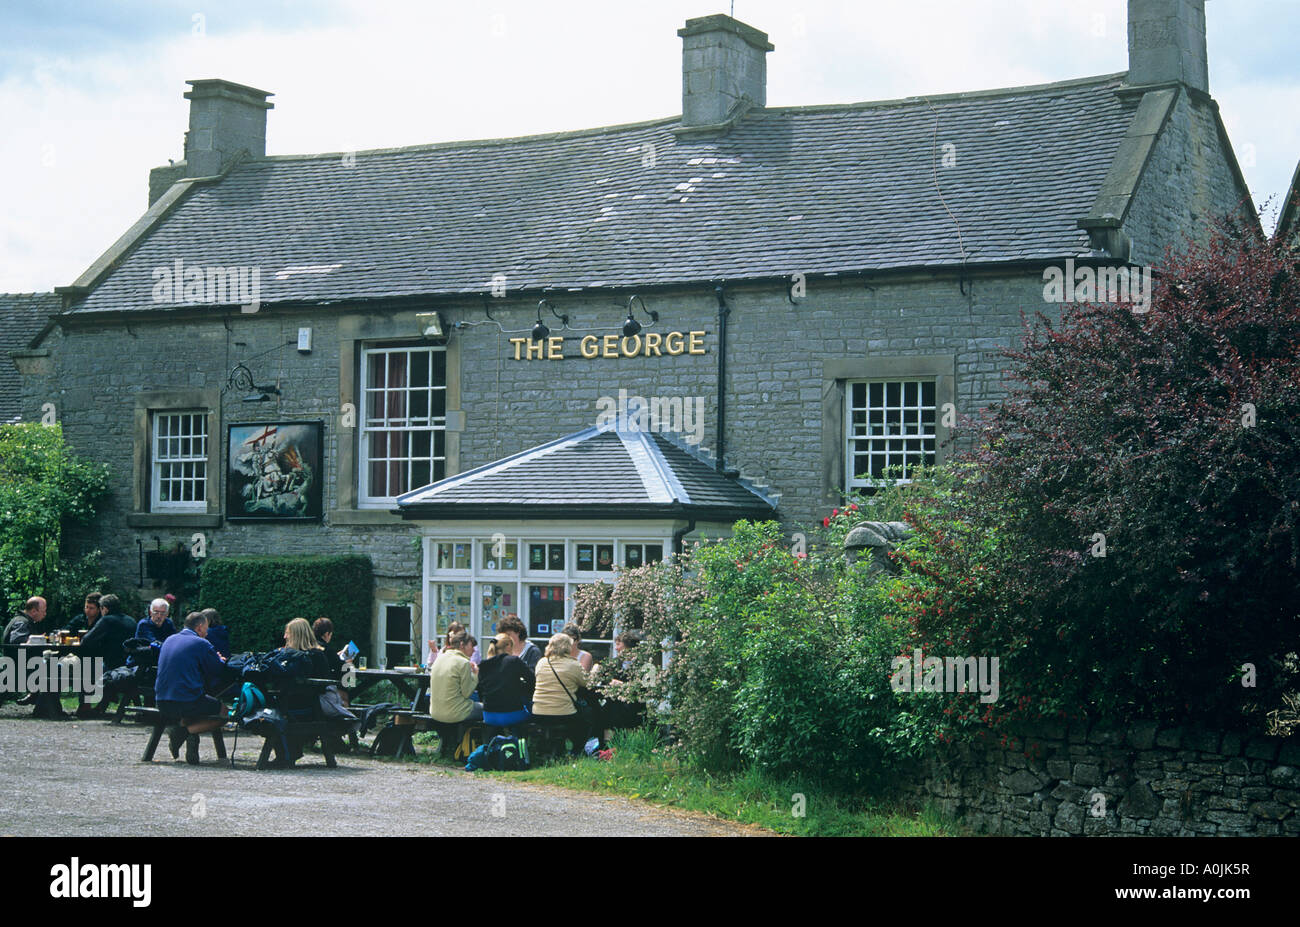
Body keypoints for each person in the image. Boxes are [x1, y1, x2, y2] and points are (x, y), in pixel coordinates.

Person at [155, 611, 229, 761]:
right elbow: (217, 670)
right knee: (224, 713)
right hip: (186, 701)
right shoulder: (201, 643)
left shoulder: (169, 639)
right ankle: (183, 732)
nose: (207, 633)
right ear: (200, 627)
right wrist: (220, 659)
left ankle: (189, 745)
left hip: (161, 701)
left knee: (196, 701)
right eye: (206, 629)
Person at [75, 593, 136, 717]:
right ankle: (100, 706)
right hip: (129, 665)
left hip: (112, 666)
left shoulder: (107, 620)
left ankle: (85, 706)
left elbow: (86, 640)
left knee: (87, 665)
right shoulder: (131, 620)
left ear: (104, 609)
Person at [3, 596, 64, 719]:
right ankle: (46, 709)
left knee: (54, 666)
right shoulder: (22, 622)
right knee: (56, 668)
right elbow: (17, 641)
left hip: (21, 664)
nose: (45, 614)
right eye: (43, 611)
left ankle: (41, 704)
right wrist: (36, 640)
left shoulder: (23, 621)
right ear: (34, 611)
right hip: (19, 667)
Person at [530, 633, 591, 754]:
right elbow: (587, 683)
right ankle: (577, 750)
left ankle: (548, 748)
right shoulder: (573, 664)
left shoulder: (541, 663)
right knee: (587, 717)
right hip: (563, 714)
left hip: (539, 713)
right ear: (568, 647)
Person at [477, 632, 534, 728]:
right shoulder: (514, 661)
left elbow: (480, 690)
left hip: (488, 715)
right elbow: (532, 680)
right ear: (508, 646)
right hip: (512, 714)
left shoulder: (483, 665)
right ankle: (516, 740)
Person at [427, 629, 482, 724]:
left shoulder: (440, 657)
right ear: (462, 645)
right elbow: (467, 693)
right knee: (488, 710)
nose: (474, 650)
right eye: (472, 646)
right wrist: (475, 675)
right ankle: (487, 739)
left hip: (435, 712)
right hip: (455, 713)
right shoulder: (463, 662)